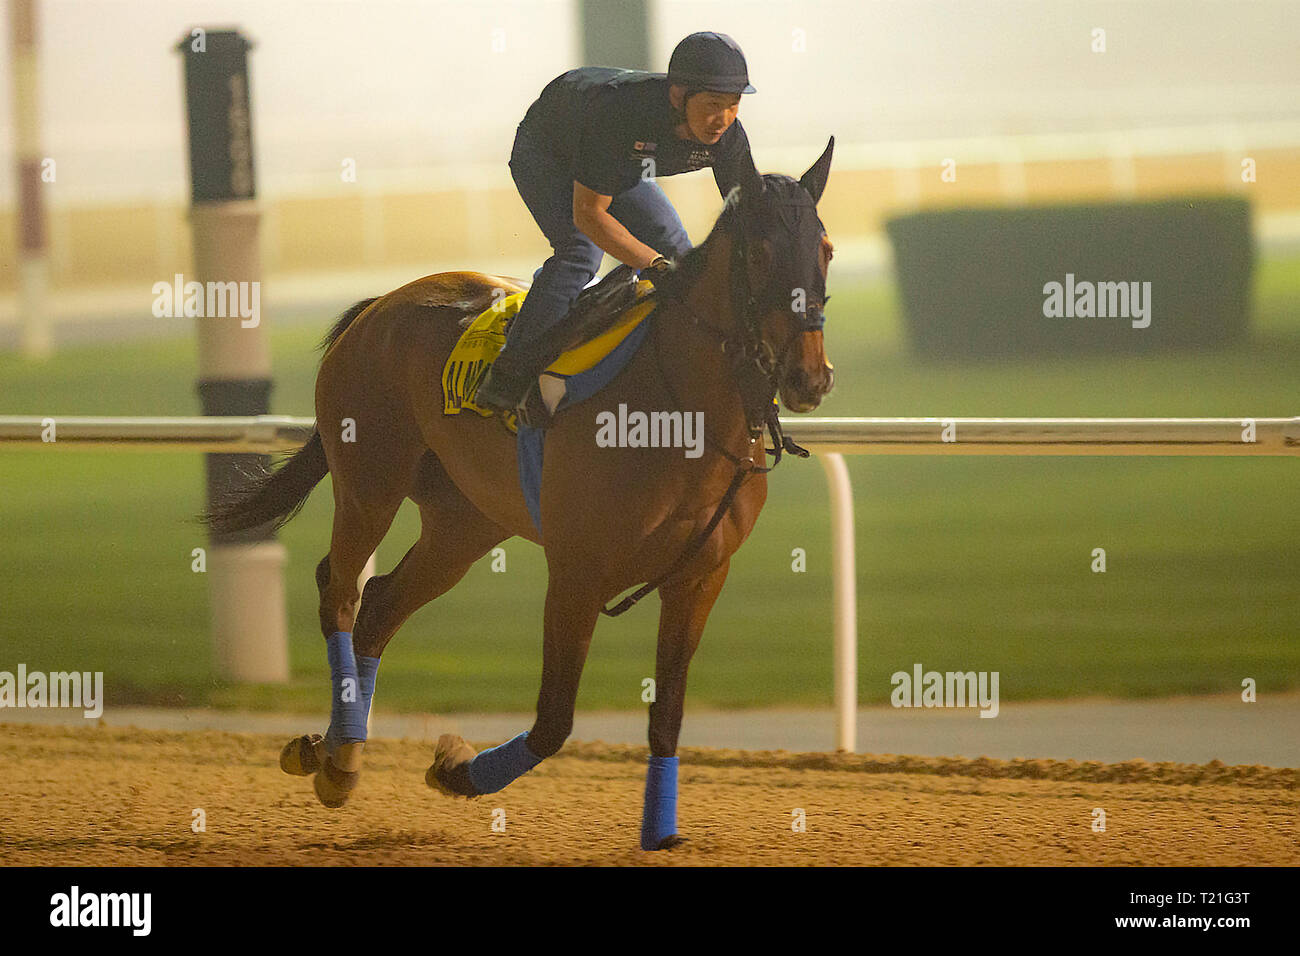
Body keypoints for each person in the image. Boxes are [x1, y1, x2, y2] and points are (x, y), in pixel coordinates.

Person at [473, 31, 759, 414]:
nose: (721, 120)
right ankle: (508, 375)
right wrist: (654, 265)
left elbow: (746, 220)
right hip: (548, 152)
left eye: (733, 105)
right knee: (581, 253)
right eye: (711, 105)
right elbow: (589, 217)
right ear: (678, 97)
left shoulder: (727, 137)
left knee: (680, 252)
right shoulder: (624, 116)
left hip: (616, 163)